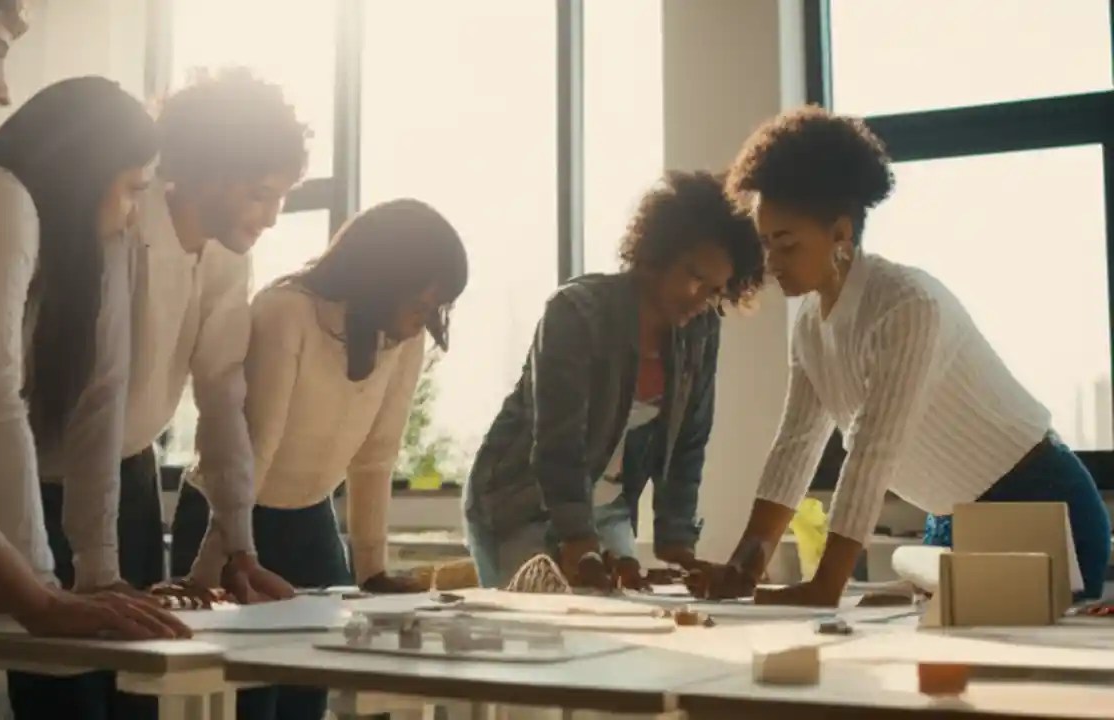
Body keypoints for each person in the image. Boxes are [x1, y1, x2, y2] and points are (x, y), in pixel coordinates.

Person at [688, 106, 1111, 606]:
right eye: (765, 244)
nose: (773, 263)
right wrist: (747, 563)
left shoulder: (908, 304)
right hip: (951, 522)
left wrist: (827, 585)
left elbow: (874, 450)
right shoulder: (808, 325)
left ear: (841, 234)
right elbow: (796, 446)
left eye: (787, 244)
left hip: (1041, 505)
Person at [0, 76, 184, 718]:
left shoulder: (46, 235)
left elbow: (95, 410)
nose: (134, 212)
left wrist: (95, 572)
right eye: (133, 188)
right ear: (87, 168)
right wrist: (42, 589)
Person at [171, 198, 468, 720]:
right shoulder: (286, 311)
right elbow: (257, 449)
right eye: (420, 304)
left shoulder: (406, 338)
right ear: (382, 278)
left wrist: (373, 571)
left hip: (310, 519)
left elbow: (376, 458)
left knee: (310, 694)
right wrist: (213, 567)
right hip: (230, 516)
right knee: (253, 697)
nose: (425, 321)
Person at [463, 172, 766, 589]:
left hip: (606, 508)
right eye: (695, 276)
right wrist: (578, 540)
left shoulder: (701, 330)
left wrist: (679, 545)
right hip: (519, 503)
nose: (703, 299)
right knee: (537, 631)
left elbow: (689, 443)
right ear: (657, 252)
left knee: (624, 621)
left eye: (716, 290)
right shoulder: (575, 312)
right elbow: (558, 441)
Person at [123, 69, 309, 604]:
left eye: (280, 198)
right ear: (207, 174)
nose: (272, 218)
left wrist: (239, 548)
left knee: (138, 680)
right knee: (63, 682)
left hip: (133, 471)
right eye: (260, 195)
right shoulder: (126, 226)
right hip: (47, 477)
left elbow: (223, 395)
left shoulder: (228, 255)